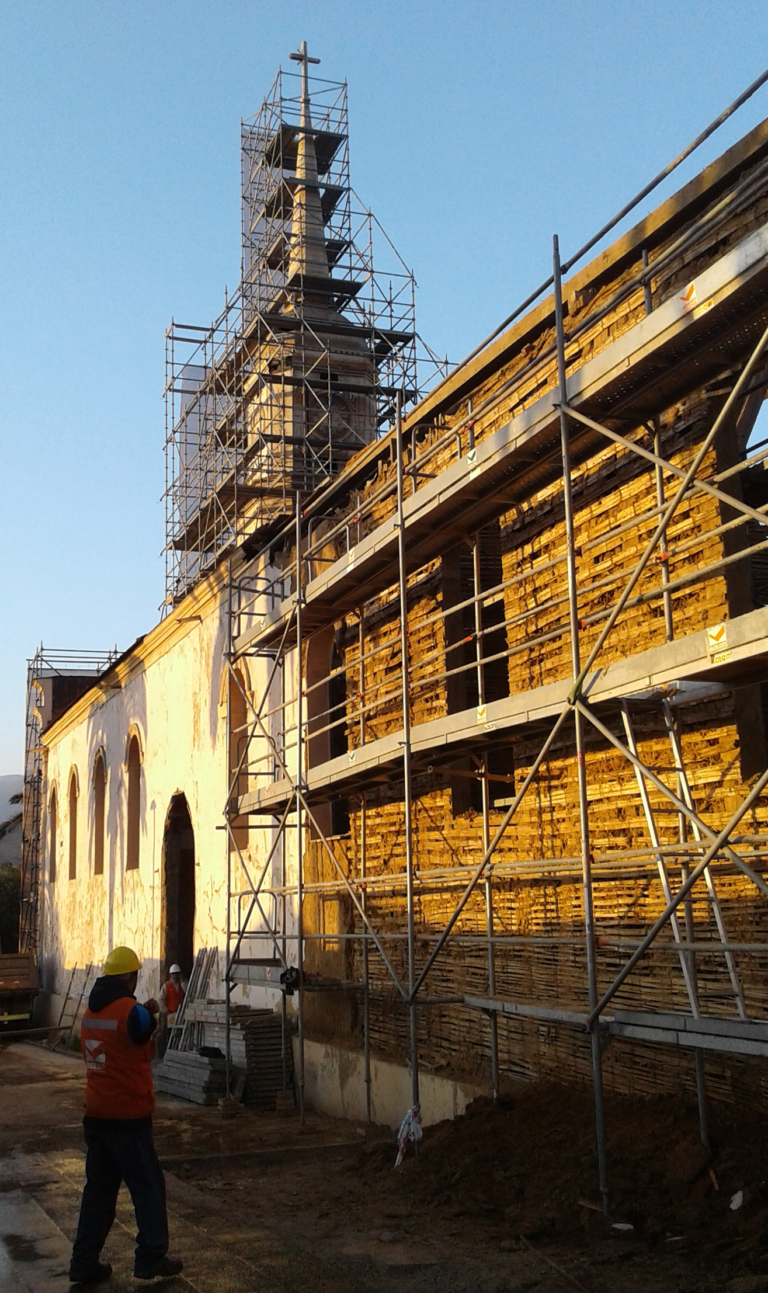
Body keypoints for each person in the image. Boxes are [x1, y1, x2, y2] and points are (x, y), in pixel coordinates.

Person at [68, 946, 184, 1285]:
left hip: (97, 1116)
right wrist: (148, 1011)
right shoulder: (130, 1011)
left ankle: (83, 1262)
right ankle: (150, 1257)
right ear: (130, 977)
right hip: (129, 1119)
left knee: (98, 1195)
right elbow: (142, 1027)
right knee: (148, 1187)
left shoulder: (90, 1012)